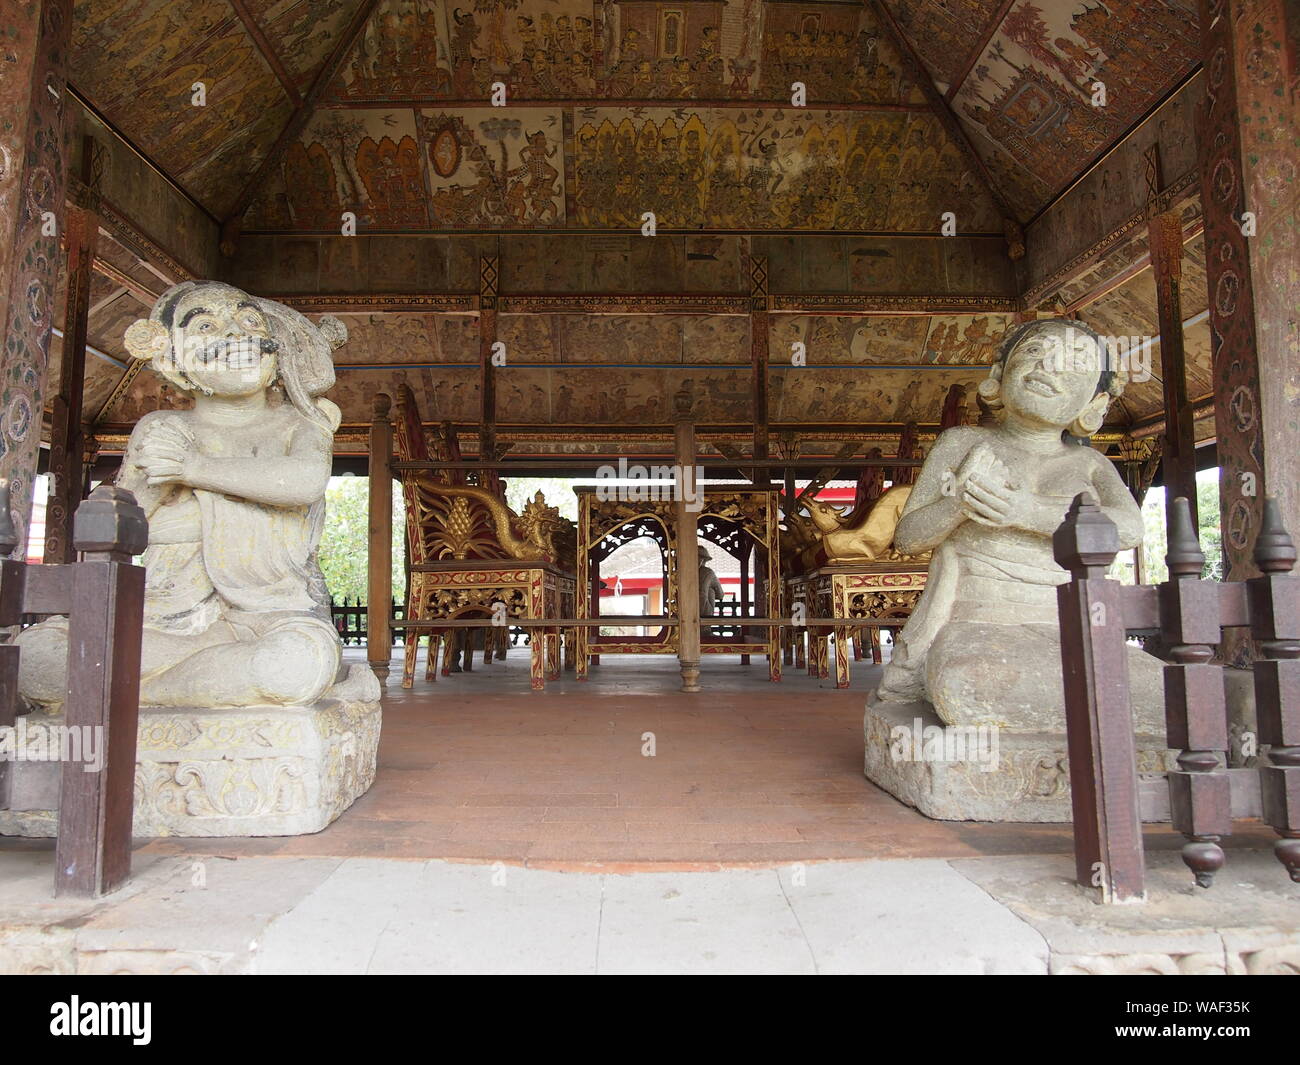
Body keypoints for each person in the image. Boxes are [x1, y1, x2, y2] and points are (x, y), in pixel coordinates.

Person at [19, 281, 358, 709]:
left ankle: (120, 695)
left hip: (264, 617)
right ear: (174, 360)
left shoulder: (300, 425)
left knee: (291, 665)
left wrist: (193, 469)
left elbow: (303, 481)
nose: (237, 336)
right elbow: (122, 527)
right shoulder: (164, 428)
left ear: (278, 352)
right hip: (163, 619)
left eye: (250, 321)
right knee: (39, 660)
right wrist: (151, 476)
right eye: (205, 326)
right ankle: (168, 688)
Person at [872, 318, 1164, 733]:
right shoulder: (963, 443)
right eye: (1034, 351)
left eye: (1074, 363)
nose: (1048, 366)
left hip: (1069, 624)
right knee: (970, 686)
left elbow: (1130, 528)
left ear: (1094, 405)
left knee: (1161, 689)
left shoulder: (1090, 464)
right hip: (980, 621)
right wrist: (959, 503)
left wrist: (1025, 511)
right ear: (998, 377)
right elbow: (909, 537)